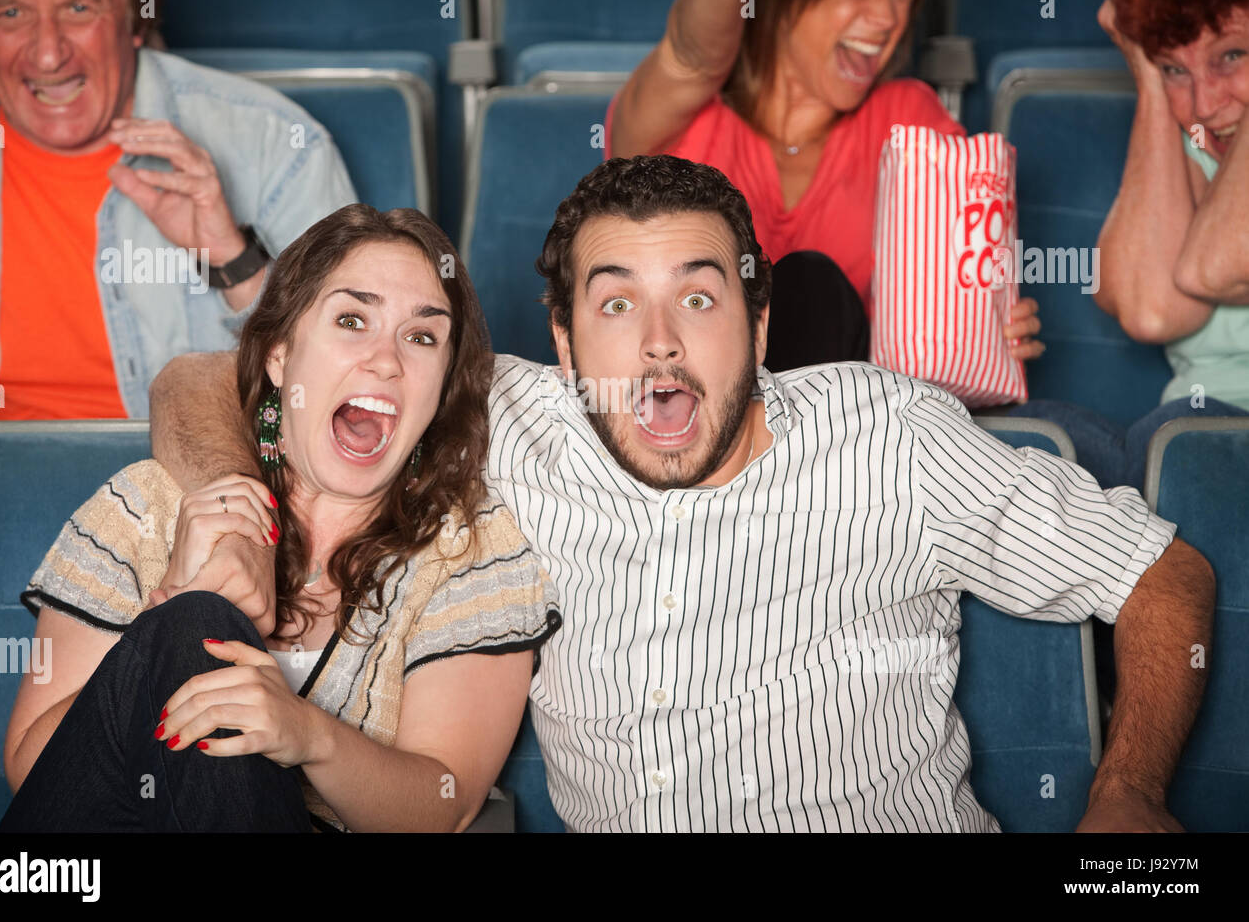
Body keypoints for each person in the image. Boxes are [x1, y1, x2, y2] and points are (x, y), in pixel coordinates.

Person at [151, 156, 1214, 832]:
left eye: (698, 297)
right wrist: (239, 515)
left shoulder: (891, 435)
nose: (658, 342)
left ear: (755, 328)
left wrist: (1127, 787)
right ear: (562, 343)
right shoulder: (512, 418)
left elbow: (1163, 571)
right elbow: (203, 376)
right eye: (616, 305)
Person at [0, 204, 561, 832]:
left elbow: (444, 807)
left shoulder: (471, 548)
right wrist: (169, 619)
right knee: (194, 620)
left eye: (422, 336)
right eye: (352, 320)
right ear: (279, 356)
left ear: (440, 387)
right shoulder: (143, 505)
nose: (386, 360)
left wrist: (307, 734)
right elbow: (36, 773)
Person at [0, 0, 355, 421]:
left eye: (79, 8)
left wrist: (234, 262)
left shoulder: (278, 142)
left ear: (135, 21)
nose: (48, 54)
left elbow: (351, 386)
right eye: (11, 13)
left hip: (194, 476)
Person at [607, 0, 1044, 372]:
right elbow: (689, 57)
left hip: (853, 432)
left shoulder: (907, 121)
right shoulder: (685, 124)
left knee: (814, 286)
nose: (886, 15)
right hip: (684, 402)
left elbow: (952, 302)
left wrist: (986, 326)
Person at [1012, 0, 1249, 491]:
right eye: (1174, 68)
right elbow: (1152, 310)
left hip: (1211, 446)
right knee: (1039, 439)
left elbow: (1219, 264)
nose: (1205, 104)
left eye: (1231, 55)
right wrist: (1145, 69)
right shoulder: (1191, 131)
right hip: (1190, 432)